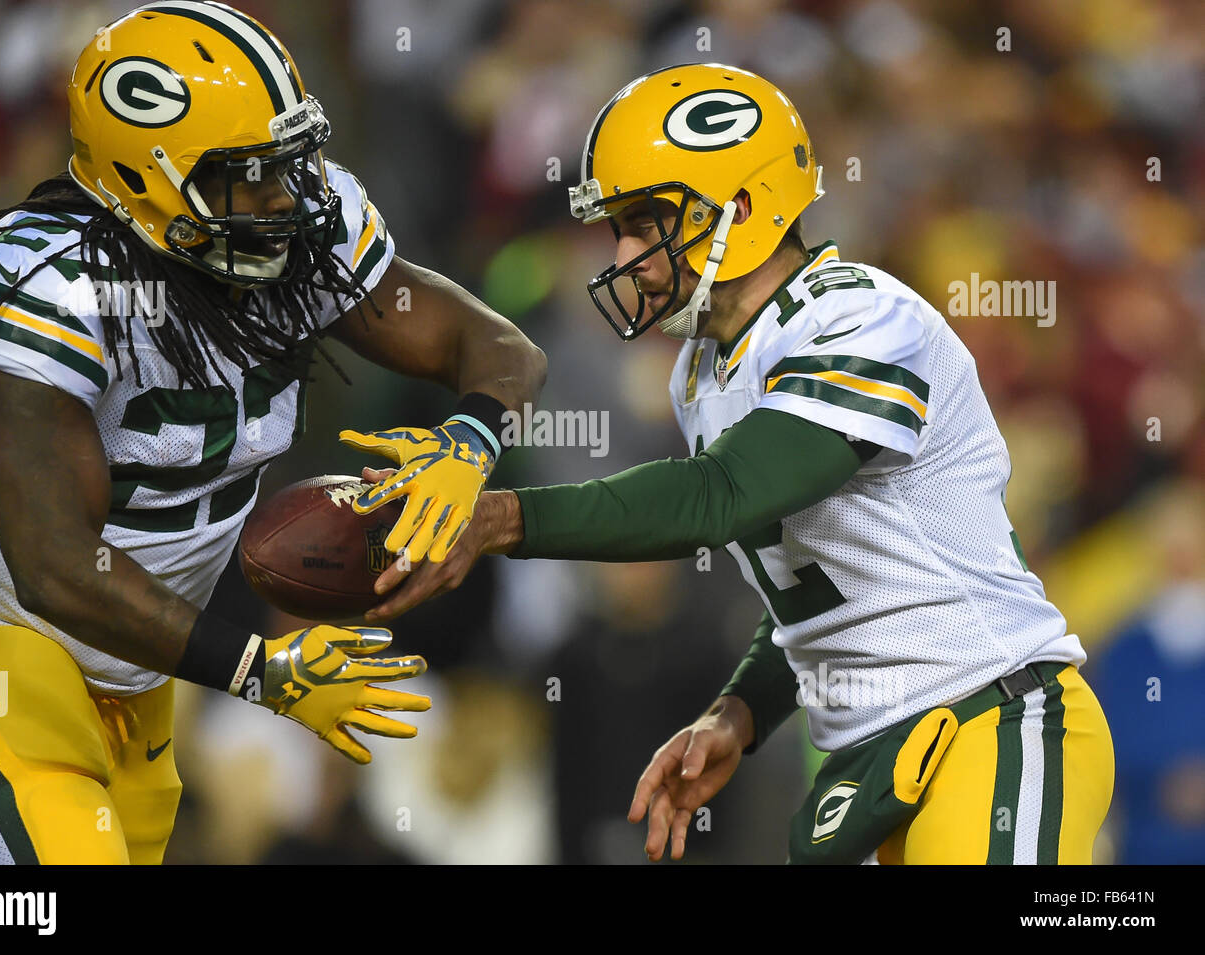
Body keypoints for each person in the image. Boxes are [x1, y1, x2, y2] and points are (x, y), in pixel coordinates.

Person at [368, 63, 1114, 865]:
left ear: (746, 208)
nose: (628, 253)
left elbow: (719, 495)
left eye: (647, 220)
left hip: (990, 720)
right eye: (616, 225)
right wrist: (740, 711)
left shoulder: (862, 317)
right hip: (874, 759)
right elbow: (812, 582)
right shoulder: (704, 370)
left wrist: (504, 517)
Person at [0, 1, 544, 865]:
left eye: (290, 164)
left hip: (143, 672)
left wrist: (469, 441)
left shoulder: (298, 237)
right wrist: (259, 671)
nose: (287, 198)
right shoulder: (51, 282)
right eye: (251, 175)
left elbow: (498, 347)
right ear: (148, 179)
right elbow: (55, 563)